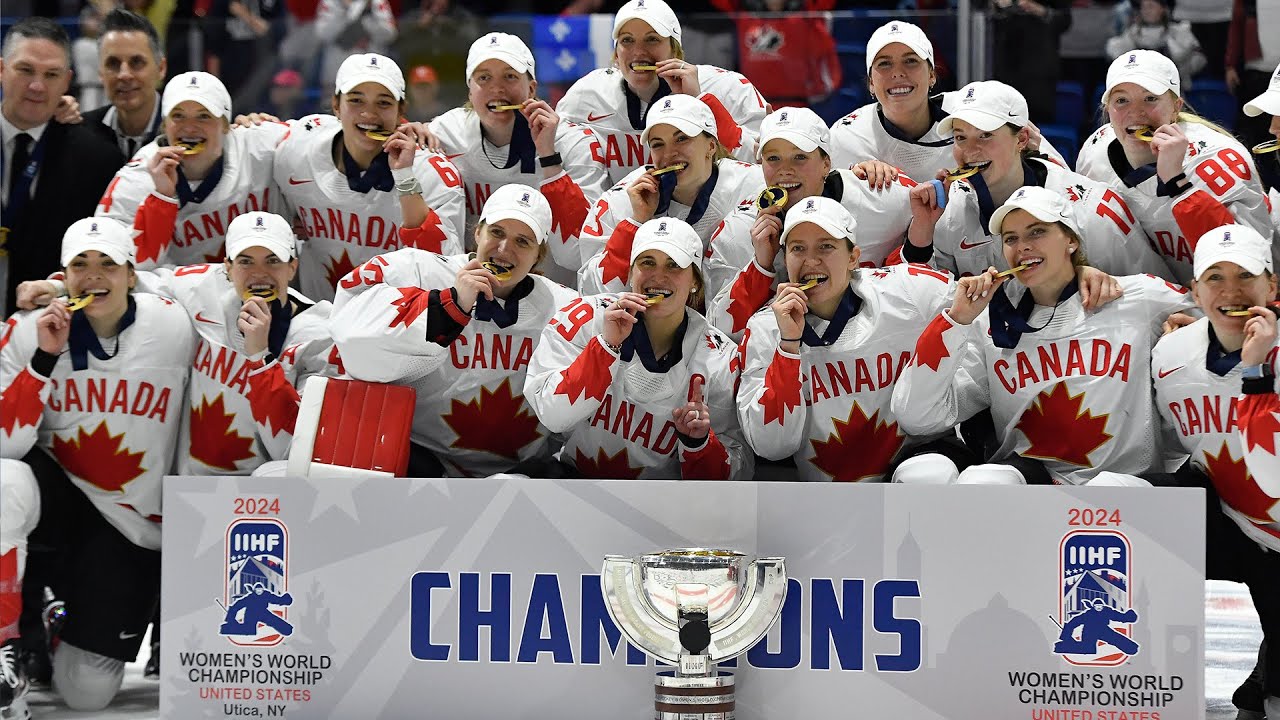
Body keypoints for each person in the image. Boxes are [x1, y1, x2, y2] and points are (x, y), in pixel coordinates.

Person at [0, 217, 194, 712]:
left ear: (133, 274)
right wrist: (43, 360)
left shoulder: (174, 320)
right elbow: (6, 442)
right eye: (80, 266)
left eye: (108, 264)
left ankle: (54, 620)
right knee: (3, 481)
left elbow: (233, 279)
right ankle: (5, 642)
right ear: (63, 275)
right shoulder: (26, 330)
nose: (94, 276)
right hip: (57, 500)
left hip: (128, 528)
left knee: (88, 694)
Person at [890, 187, 1194, 485]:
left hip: (1127, 486)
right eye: (1011, 238)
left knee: (1109, 488)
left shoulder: (1138, 296)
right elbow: (917, 415)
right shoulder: (990, 325)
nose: (1022, 246)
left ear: (1071, 241)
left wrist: (1187, 333)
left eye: (1037, 232)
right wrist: (955, 321)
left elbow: (1219, 314)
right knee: (982, 481)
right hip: (1032, 485)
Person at [331, 185, 579, 477]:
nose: (504, 249)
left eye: (522, 241)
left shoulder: (563, 307)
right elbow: (352, 336)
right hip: (420, 462)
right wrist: (447, 306)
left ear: (539, 256)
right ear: (477, 233)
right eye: (497, 233)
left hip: (519, 477)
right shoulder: (423, 271)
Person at [735, 196, 972, 482]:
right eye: (798, 248)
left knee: (929, 475)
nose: (811, 260)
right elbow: (772, 444)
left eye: (826, 246)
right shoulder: (765, 329)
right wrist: (788, 347)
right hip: (830, 499)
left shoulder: (907, 290)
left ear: (853, 257)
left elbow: (978, 311)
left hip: (915, 466)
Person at [1152, 224, 1280, 720]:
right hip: (1232, 521)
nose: (1231, 292)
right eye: (1215, 278)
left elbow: (1273, 476)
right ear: (1195, 289)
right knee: (1137, 503)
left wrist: (1256, 373)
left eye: (1246, 276)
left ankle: (1263, 678)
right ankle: (1128, 671)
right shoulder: (1171, 354)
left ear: (1272, 286)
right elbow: (1166, 446)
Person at [524, 217, 751, 480]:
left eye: (674, 265)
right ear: (631, 272)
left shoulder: (719, 358)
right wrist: (606, 347)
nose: (659, 276)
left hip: (659, 506)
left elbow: (739, 471)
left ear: (695, 281)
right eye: (647, 262)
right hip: (575, 482)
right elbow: (552, 415)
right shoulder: (585, 318)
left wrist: (698, 444)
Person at [905, 80, 1173, 281]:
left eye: (985, 135)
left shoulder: (1093, 210)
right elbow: (925, 298)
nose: (970, 150)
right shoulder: (950, 208)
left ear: (1021, 139)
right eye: (961, 137)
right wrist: (922, 232)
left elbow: (1157, 292)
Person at [704, 107, 915, 340]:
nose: (785, 170)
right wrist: (761, 267)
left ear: (826, 164)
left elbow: (932, 218)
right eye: (773, 158)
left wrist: (917, 244)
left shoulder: (882, 195)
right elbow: (719, 332)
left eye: (800, 157)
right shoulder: (736, 232)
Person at [273, 52, 467, 302]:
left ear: (401, 111)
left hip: (397, 332)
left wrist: (405, 179)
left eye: (384, 103)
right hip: (318, 327)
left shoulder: (432, 172)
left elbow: (446, 267)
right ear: (336, 105)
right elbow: (244, 141)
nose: (369, 114)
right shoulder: (296, 147)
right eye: (356, 100)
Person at [1076, 49, 1275, 285]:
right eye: (1121, 100)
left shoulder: (1219, 159)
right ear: (1107, 109)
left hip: (1222, 304)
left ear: (1176, 106)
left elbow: (1247, 266)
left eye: (1150, 98)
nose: (1135, 111)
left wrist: (1178, 183)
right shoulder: (1094, 151)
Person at [426, 33, 609, 279]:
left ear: (531, 89)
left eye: (510, 76)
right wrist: (413, 132)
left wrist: (549, 157)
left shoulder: (572, 141)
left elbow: (581, 251)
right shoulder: (445, 133)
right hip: (473, 290)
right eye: (484, 78)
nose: (497, 87)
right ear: (470, 91)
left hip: (553, 296)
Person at [556, 0, 770, 185]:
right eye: (627, 40)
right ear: (615, 55)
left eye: (652, 39)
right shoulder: (587, 95)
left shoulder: (727, 88)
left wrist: (702, 104)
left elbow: (763, 167)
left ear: (675, 49)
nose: (638, 51)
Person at [94, 70, 289, 269]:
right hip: (178, 295)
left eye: (203, 116)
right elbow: (103, 252)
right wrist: (161, 199)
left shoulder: (258, 146)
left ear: (225, 125)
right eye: (178, 116)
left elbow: (314, 142)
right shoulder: (138, 176)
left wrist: (302, 212)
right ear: (164, 125)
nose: (189, 128)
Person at [578, 94, 764, 292]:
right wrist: (635, 224)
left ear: (711, 146)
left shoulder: (754, 186)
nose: (669, 154)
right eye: (658, 144)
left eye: (682, 139)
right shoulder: (622, 200)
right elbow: (592, 291)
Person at [1, 18, 122, 315]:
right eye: (25, 70)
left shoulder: (96, 159)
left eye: (51, 74)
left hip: (49, 329)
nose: (37, 86)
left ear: (67, 81)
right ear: (2, 69)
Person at [81, 9, 167, 165]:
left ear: (161, 68)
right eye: (113, 63)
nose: (124, 74)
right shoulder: (81, 132)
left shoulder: (185, 132)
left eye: (136, 62)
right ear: (101, 73)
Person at [990, 0, 1073, 123]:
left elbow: (1065, 21)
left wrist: (1041, 11)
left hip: (1039, 69)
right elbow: (982, 14)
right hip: (1006, 64)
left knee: (1038, 122)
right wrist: (999, 7)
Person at [1106, 0, 1207, 91]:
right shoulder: (1133, 33)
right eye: (1143, 7)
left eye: (1150, 6)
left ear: (1163, 9)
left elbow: (1198, 60)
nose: (1146, 11)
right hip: (1139, 87)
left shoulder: (1179, 31)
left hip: (1173, 87)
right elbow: (1118, 55)